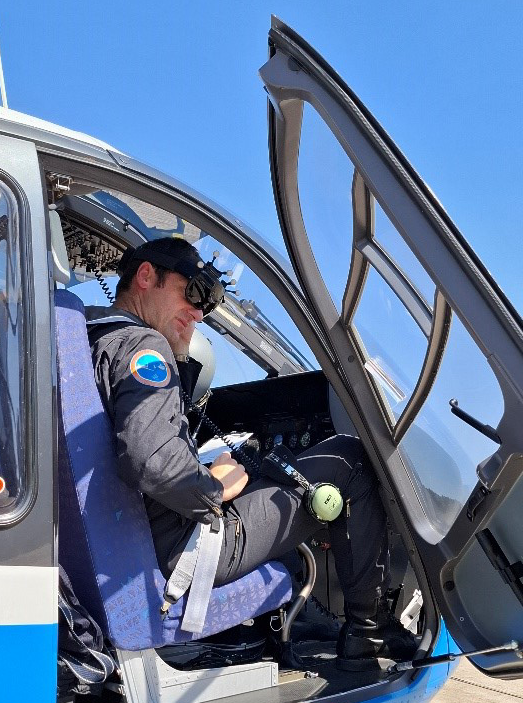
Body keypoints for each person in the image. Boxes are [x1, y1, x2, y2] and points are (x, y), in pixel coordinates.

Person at [86, 237, 416, 669]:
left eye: (209, 304)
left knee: (272, 494)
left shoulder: (93, 339)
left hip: (139, 541)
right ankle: (369, 633)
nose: (199, 313)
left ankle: (301, 622)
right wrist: (213, 487)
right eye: (194, 291)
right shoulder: (143, 347)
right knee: (347, 461)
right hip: (184, 551)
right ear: (146, 276)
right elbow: (152, 461)